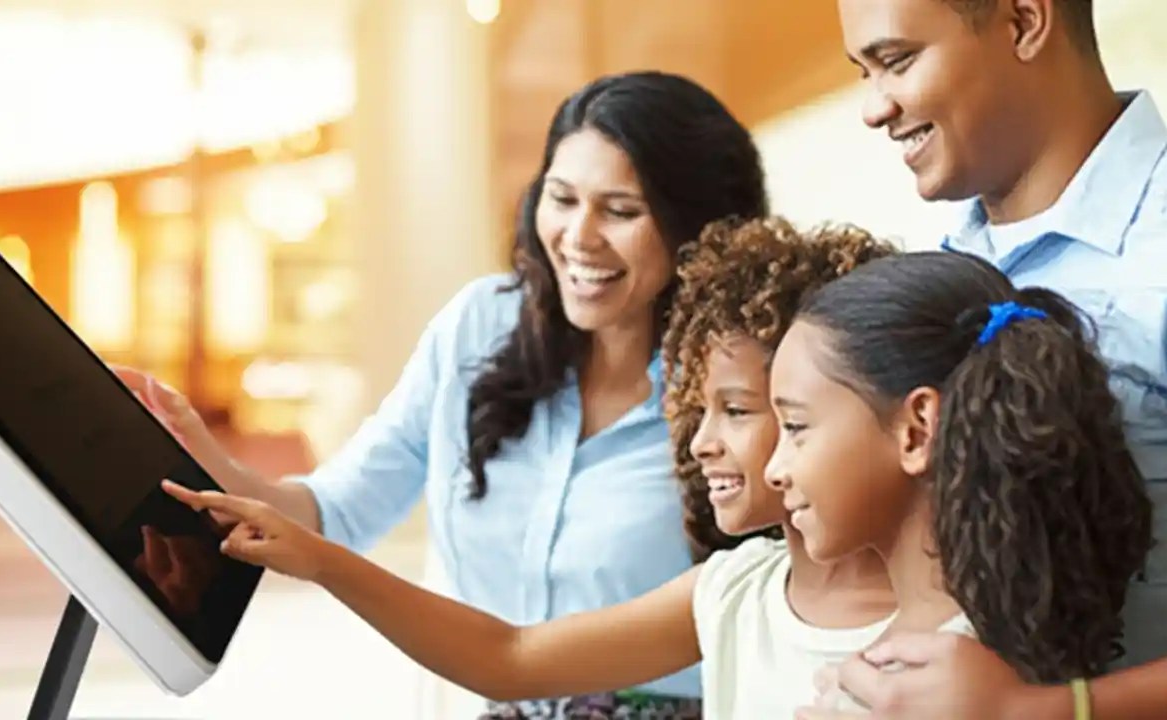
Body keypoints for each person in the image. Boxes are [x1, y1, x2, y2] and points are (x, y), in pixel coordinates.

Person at [116, 70, 770, 717]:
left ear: (699, 229)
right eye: (562, 198)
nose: (579, 236)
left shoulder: (740, 386)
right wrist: (205, 456)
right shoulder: (479, 327)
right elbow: (336, 509)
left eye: (621, 211)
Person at [156, 218, 900, 719]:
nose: (700, 443)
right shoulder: (732, 591)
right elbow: (507, 657)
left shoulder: (946, 610)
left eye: (738, 411)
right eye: (698, 410)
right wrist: (321, 563)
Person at [813, 0, 1167, 717]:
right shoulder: (943, 269)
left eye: (898, 61)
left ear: (1025, 21)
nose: (873, 108)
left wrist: (1056, 709)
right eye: (862, 71)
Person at [755, 251, 1149, 716]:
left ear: (917, 430)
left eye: (797, 427)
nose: (773, 470)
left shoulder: (910, 694)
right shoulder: (992, 652)